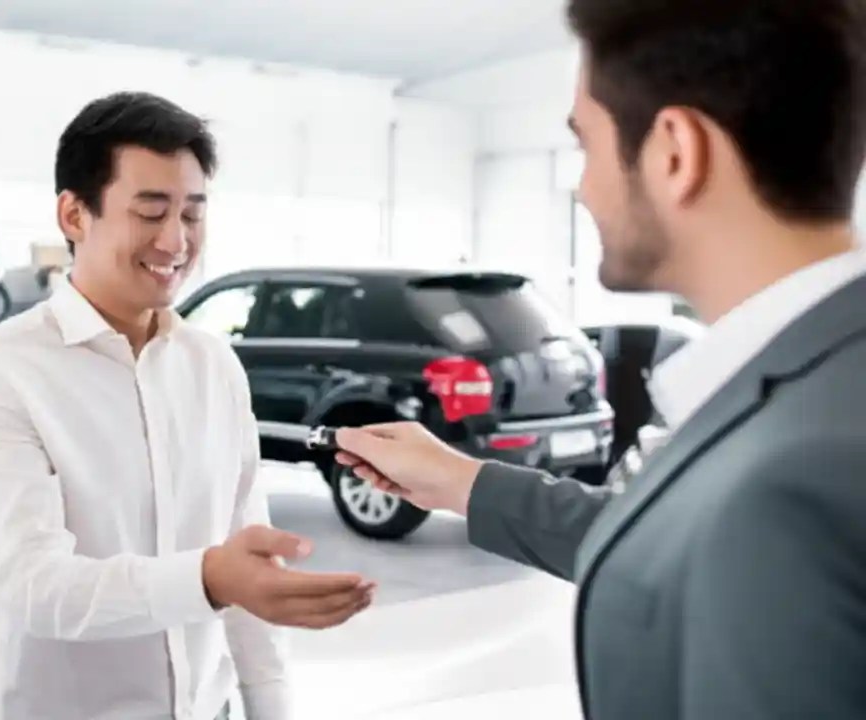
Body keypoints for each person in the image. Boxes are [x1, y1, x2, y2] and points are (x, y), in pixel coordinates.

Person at [335, 1, 866, 718]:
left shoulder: (794, 479)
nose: (582, 188)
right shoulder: (819, 382)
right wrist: (466, 483)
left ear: (676, 152)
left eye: (585, 145)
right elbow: (688, 555)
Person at [0, 92, 375, 720]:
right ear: (74, 214)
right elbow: (35, 586)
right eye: (150, 211)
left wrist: (270, 702)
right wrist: (208, 579)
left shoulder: (214, 364)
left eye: (192, 214)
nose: (175, 241)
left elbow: (245, 549)